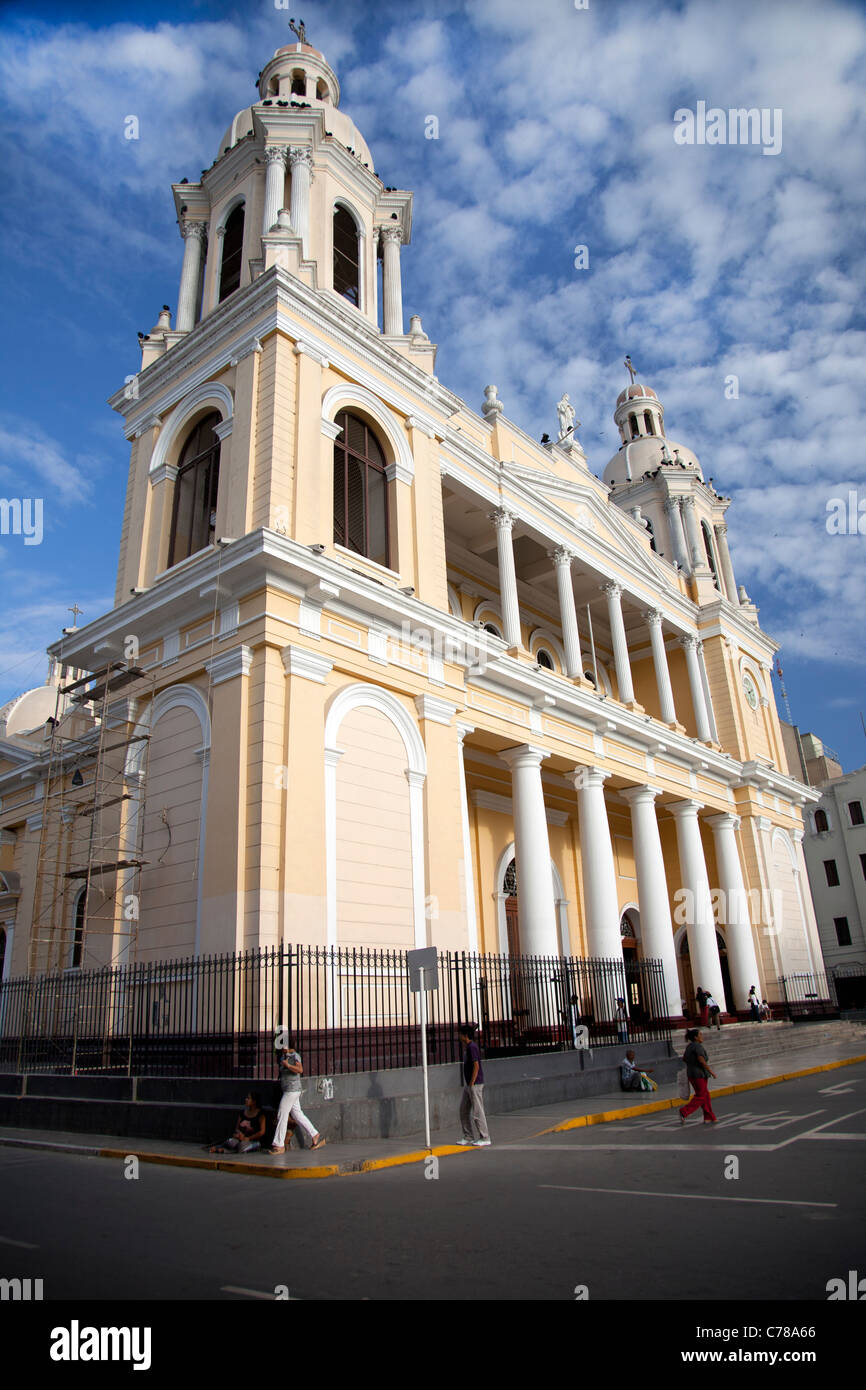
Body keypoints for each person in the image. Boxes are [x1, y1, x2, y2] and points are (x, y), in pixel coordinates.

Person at [268, 1041, 325, 1153]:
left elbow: (300, 1070)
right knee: (297, 1114)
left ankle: (279, 1144)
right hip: (289, 1089)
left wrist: (288, 1065)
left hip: (292, 1090)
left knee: (282, 1113)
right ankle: (314, 1134)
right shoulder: (285, 1056)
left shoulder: (295, 1056)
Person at [457, 1023, 490, 1147]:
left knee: (477, 1111)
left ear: (465, 1035)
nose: (459, 1036)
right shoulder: (468, 1047)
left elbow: (476, 1065)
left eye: (460, 1034)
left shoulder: (472, 1047)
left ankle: (485, 1137)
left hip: (474, 1084)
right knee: (463, 1110)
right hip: (469, 1085)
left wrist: (471, 1083)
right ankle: (468, 1136)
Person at [678, 1028, 717, 1124]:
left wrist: (691, 1064)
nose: (702, 1036)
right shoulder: (697, 1046)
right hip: (699, 1074)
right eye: (700, 1035)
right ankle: (684, 1111)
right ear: (696, 1037)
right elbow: (701, 1060)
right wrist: (711, 1071)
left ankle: (709, 1116)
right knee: (701, 1095)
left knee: (705, 1095)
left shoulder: (689, 1046)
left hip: (691, 1074)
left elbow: (684, 1058)